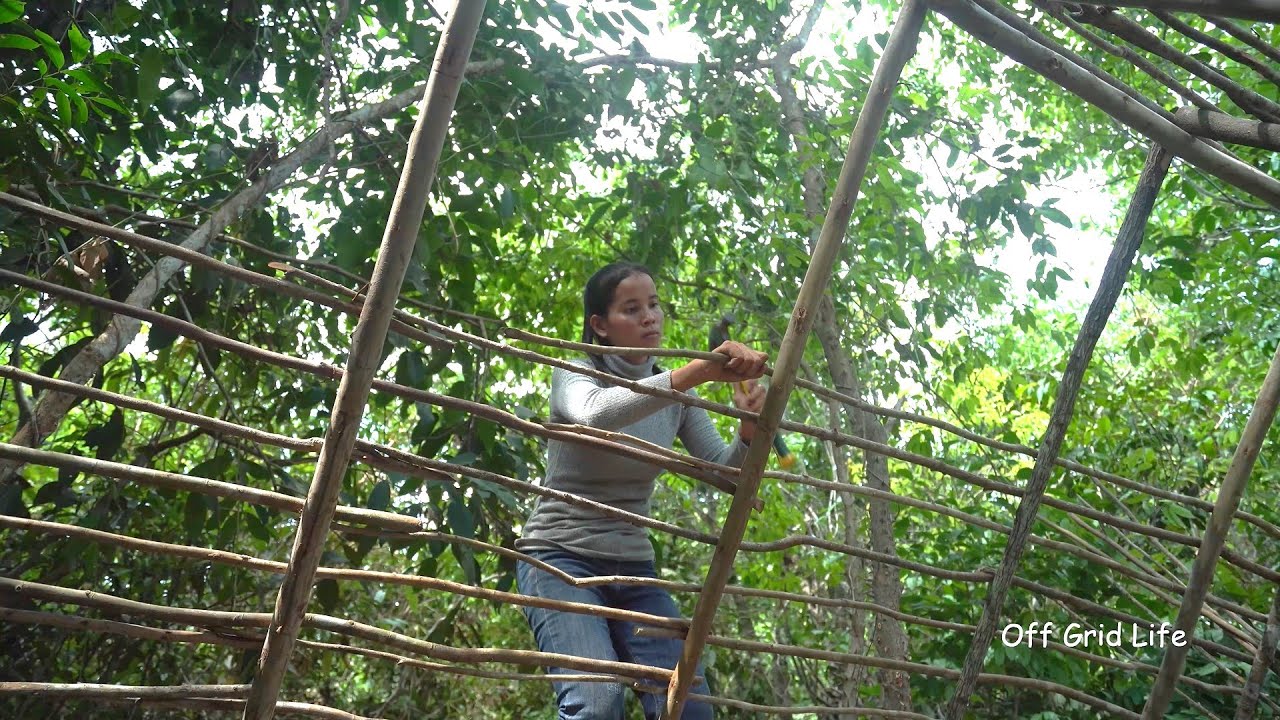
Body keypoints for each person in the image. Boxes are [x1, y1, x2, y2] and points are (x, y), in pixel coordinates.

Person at [515, 262, 769, 720]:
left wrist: (748, 427)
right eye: (632, 309)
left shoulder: (679, 395)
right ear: (600, 325)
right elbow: (593, 414)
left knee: (688, 708)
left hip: (634, 570)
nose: (650, 317)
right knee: (597, 703)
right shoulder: (574, 371)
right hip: (557, 557)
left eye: (653, 305)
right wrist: (696, 373)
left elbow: (726, 473)